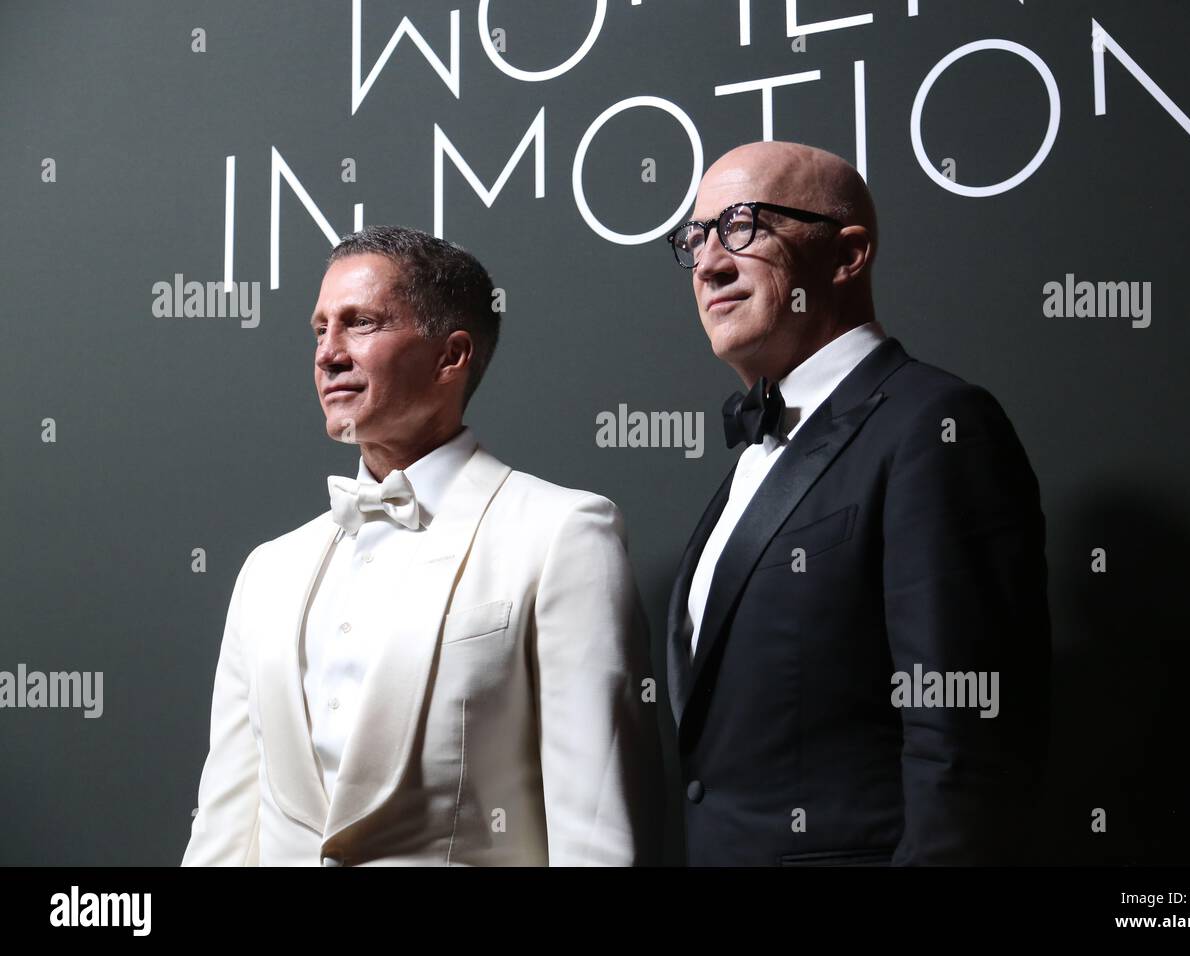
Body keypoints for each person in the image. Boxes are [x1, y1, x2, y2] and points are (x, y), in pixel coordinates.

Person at [183, 225, 660, 866]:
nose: (329, 353)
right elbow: (226, 824)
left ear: (451, 355)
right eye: (319, 329)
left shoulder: (564, 535)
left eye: (361, 323)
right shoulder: (267, 570)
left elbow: (595, 830)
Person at [663, 142, 1051, 865]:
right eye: (695, 238)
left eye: (743, 226)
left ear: (846, 257)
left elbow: (965, 739)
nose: (711, 262)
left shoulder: (935, 425)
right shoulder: (756, 453)